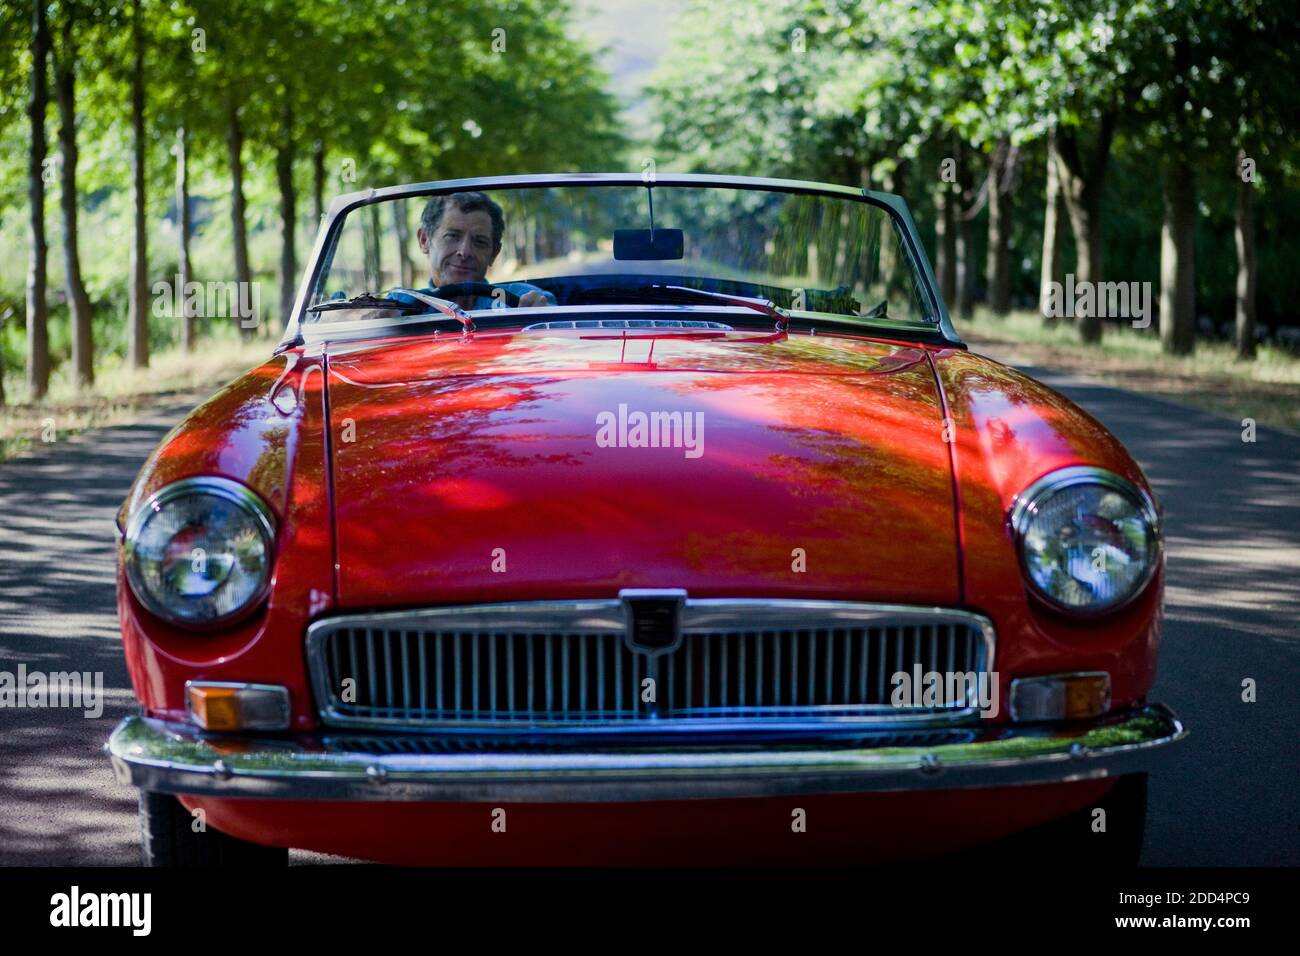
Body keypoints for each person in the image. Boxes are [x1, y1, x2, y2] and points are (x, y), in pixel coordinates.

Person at [414, 191, 555, 310]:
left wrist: (540, 322)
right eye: (452, 236)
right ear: (424, 240)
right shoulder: (401, 306)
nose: (464, 251)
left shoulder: (524, 299)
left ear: (494, 253)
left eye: (480, 242)